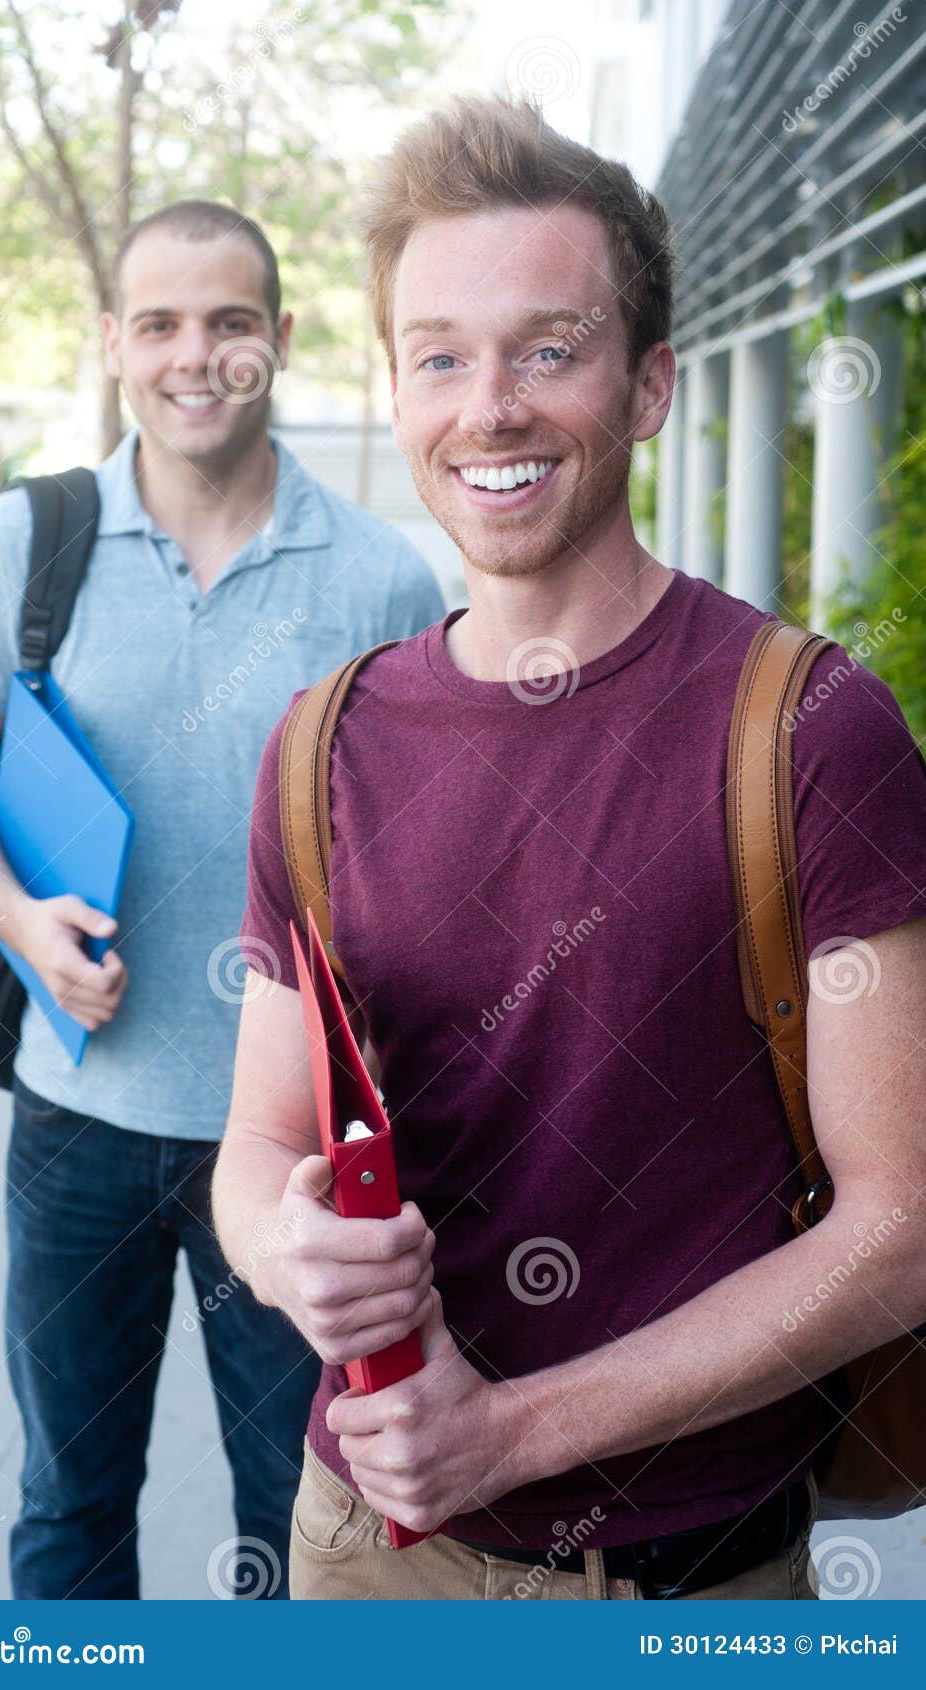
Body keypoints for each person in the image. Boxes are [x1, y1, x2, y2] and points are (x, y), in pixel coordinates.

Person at [213, 100, 926, 1601]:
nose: (490, 406)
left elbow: (903, 1227)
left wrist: (506, 1432)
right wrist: (292, 1254)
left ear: (650, 381)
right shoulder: (318, 745)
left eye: (550, 348)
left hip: (687, 1579)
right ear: (397, 385)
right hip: (365, 1549)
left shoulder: (809, 729)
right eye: (440, 356)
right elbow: (257, 1151)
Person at [0, 198, 444, 1601]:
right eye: (159, 323)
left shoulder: (381, 577)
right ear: (113, 345)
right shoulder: (31, 539)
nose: (193, 354)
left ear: (277, 340)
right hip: (75, 1131)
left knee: (298, 1520)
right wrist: (22, 921)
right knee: (70, 1505)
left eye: (228, 322)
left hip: (293, 1153)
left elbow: (428, 860)